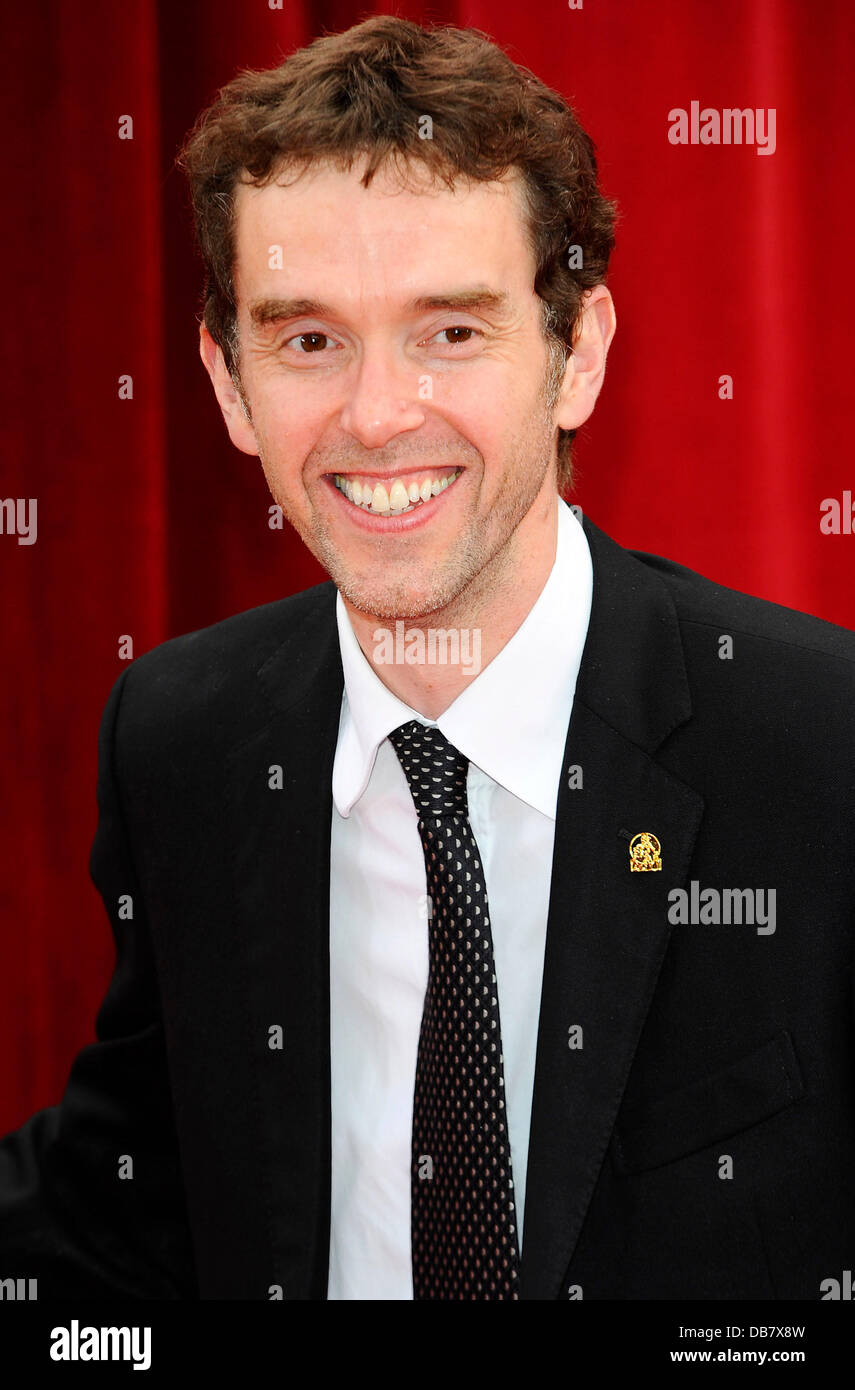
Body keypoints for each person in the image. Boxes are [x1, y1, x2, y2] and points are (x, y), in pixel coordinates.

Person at [1, 14, 853, 1301]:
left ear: (579, 355)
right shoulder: (180, 737)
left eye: (450, 331)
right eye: (307, 340)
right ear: (227, 386)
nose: (378, 414)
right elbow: (121, 1208)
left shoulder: (822, 749)